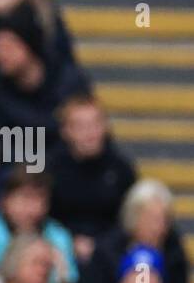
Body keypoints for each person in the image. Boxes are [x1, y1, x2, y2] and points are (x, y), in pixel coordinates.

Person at [47, 95, 136, 263]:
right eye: (80, 126)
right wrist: (68, 241)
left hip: (112, 252)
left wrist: (100, 246)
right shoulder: (51, 170)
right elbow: (43, 217)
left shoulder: (121, 170)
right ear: (66, 131)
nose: (90, 133)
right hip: (57, 250)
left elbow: (129, 220)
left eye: (95, 124)